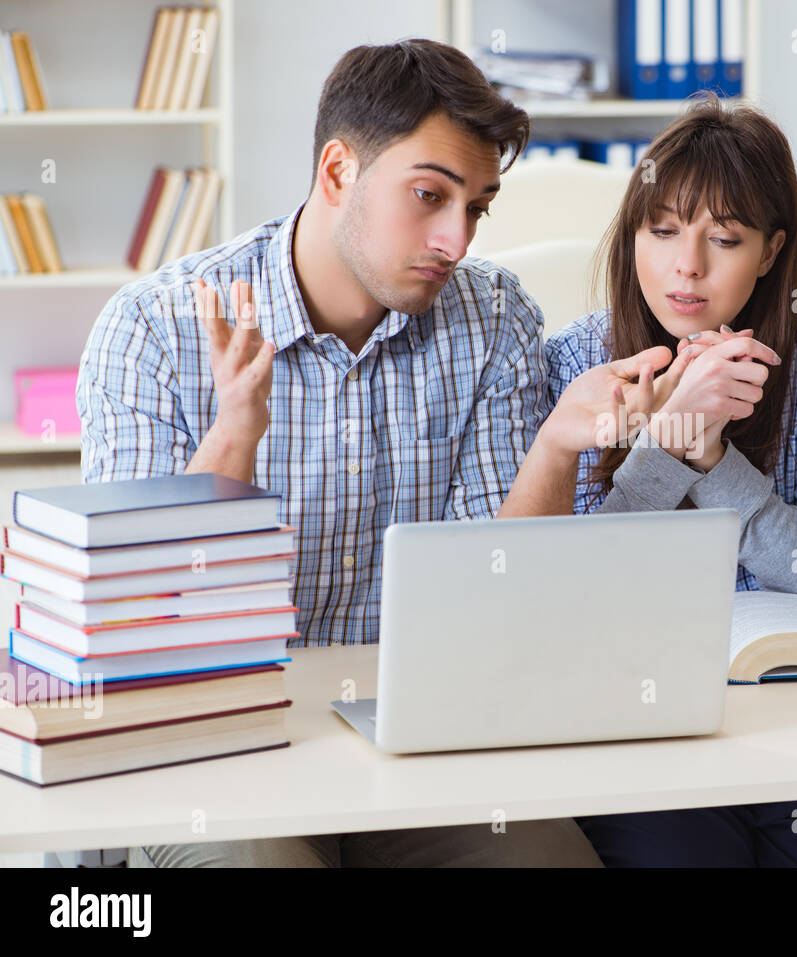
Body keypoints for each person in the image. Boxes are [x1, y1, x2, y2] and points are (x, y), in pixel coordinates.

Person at [76, 40, 666, 868]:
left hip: (420, 748)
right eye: (429, 196)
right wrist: (237, 434)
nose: (455, 239)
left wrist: (560, 443)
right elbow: (144, 623)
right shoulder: (153, 328)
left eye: (478, 208)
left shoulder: (493, 319)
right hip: (220, 744)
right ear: (337, 172)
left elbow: (501, 599)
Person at [545, 95, 797, 867]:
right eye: (662, 231)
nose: (687, 265)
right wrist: (670, 441)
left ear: (769, 249)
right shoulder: (579, 359)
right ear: (632, 236)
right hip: (636, 707)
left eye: (724, 238)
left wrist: (716, 461)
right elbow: (575, 584)